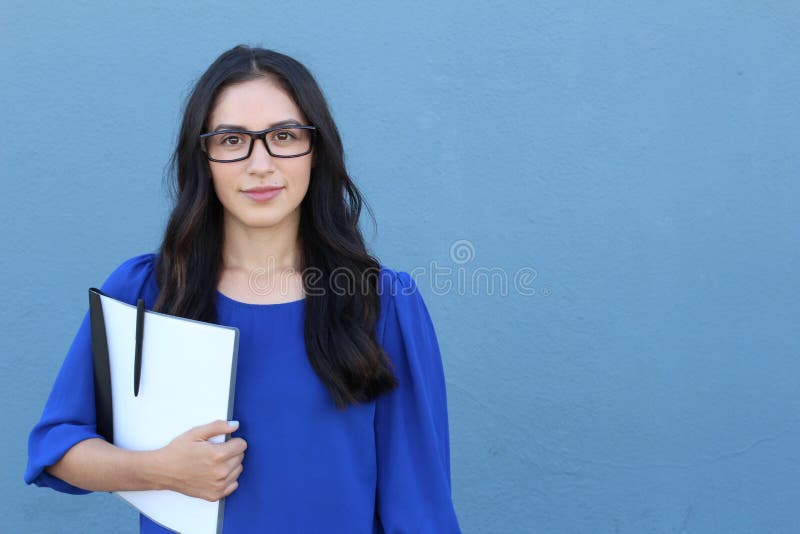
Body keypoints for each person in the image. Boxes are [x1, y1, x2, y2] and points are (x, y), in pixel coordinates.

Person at [24, 45, 462, 533]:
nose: (260, 163)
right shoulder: (147, 291)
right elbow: (56, 446)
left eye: (284, 136)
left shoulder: (381, 304)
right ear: (204, 157)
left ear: (316, 152)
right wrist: (157, 469)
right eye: (233, 140)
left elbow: (421, 509)